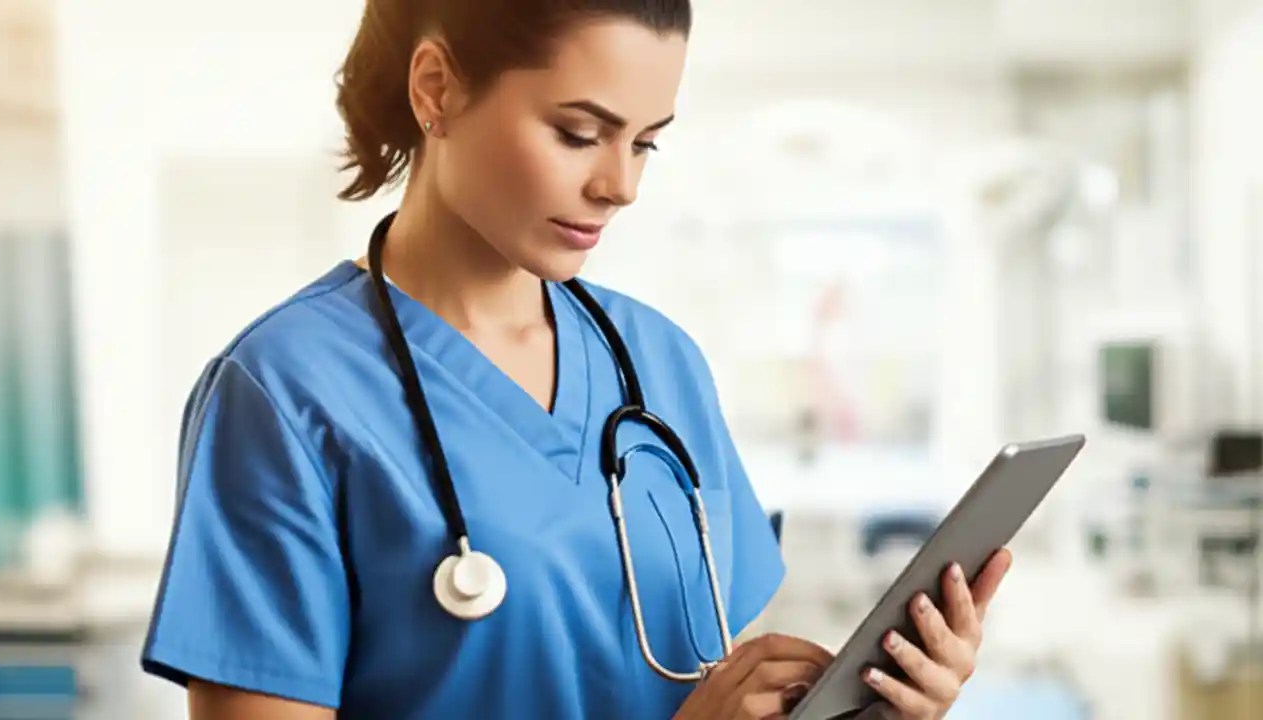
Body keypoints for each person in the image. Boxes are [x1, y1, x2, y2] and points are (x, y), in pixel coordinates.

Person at [139, 2, 1013, 718]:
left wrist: (872, 703)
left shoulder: (661, 362)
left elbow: (715, 685)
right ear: (436, 87)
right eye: (578, 132)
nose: (620, 185)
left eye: (645, 142)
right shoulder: (287, 393)